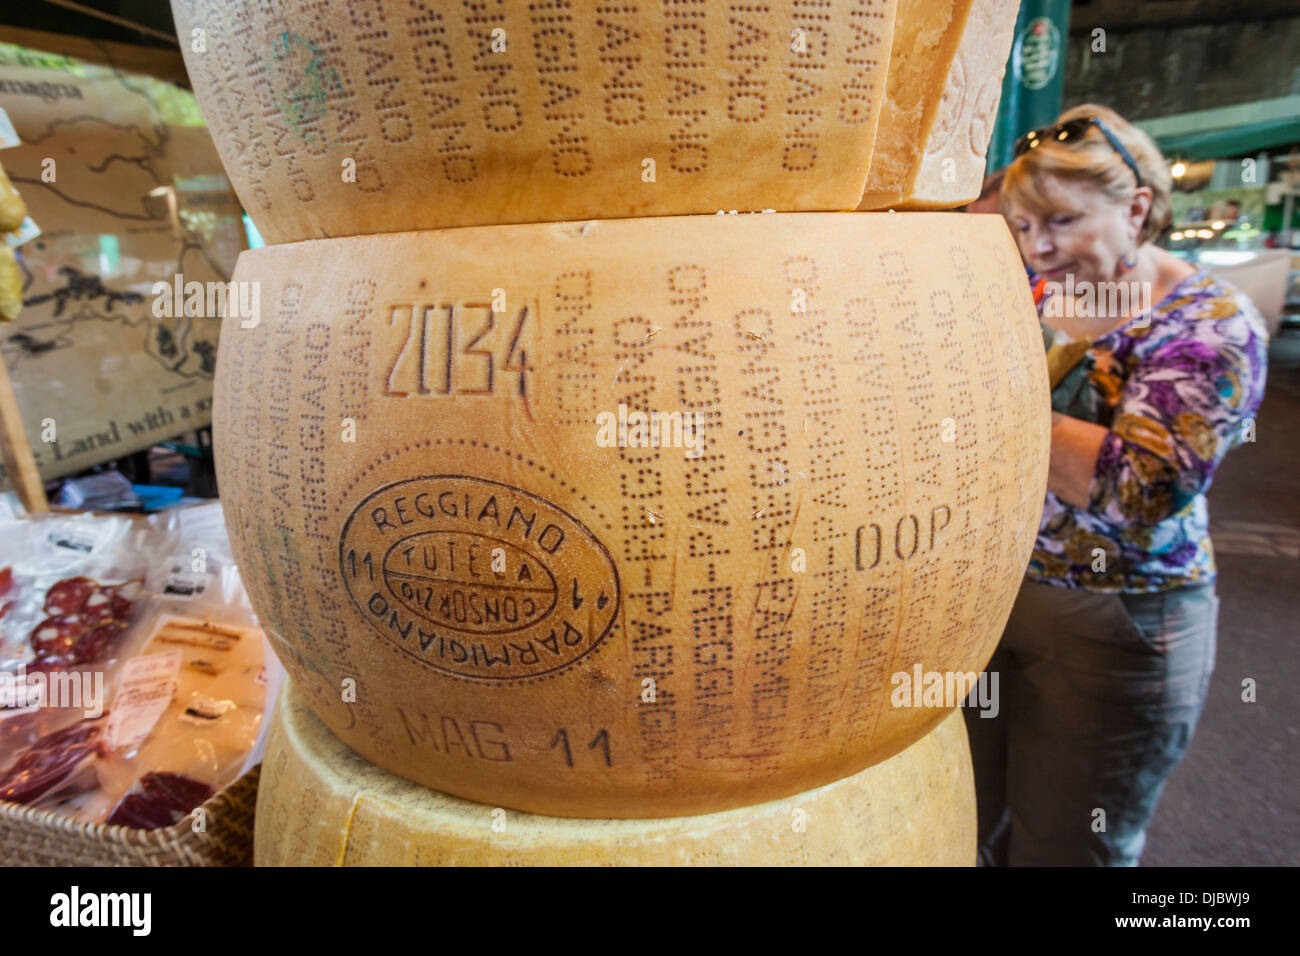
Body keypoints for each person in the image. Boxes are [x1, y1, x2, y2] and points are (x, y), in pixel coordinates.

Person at [964, 104, 1270, 866]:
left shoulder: (1210, 323)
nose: (1038, 248)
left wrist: (988, 394)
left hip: (1120, 620)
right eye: (1024, 227)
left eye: (1061, 222)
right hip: (996, 602)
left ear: (1136, 208)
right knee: (960, 824)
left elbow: (1137, 490)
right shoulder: (1039, 293)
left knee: (1068, 847)